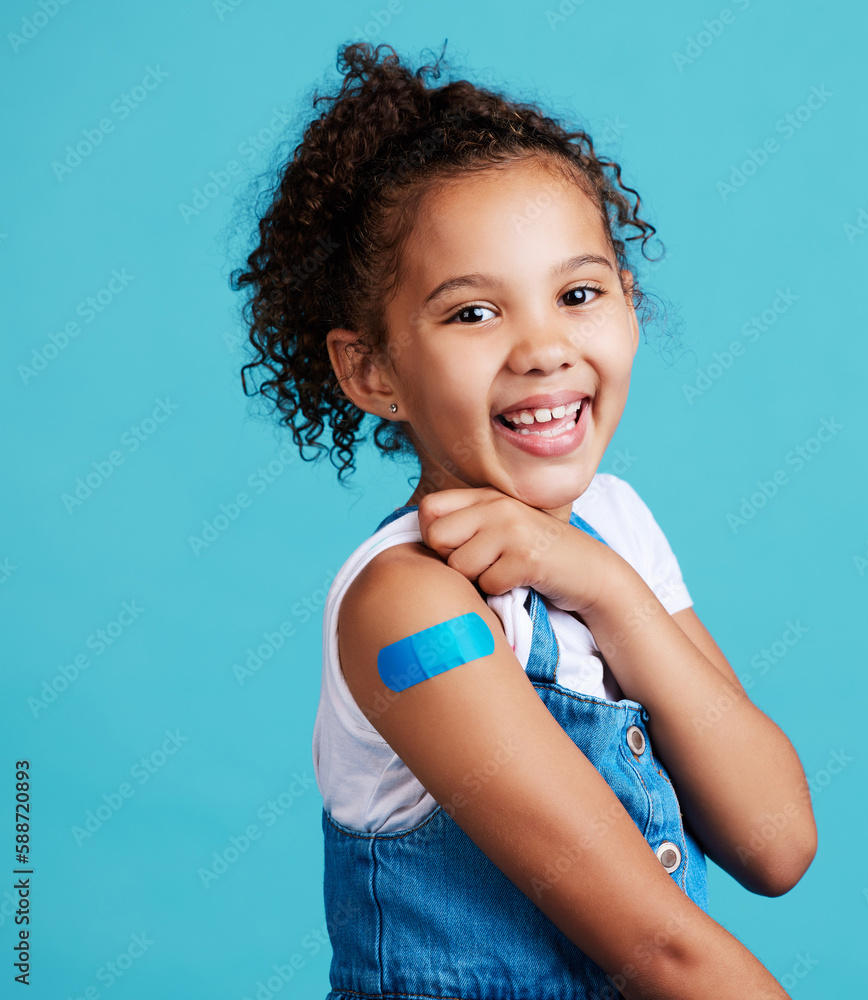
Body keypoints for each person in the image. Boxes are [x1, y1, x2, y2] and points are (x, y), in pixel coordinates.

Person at [233, 40, 817, 1000]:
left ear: (630, 306)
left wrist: (607, 588)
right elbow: (661, 950)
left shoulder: (617, 530)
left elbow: (775, 838)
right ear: (371, 371)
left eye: (578, 294)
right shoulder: (409, 609)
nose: (544, 348)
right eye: (472, 314)